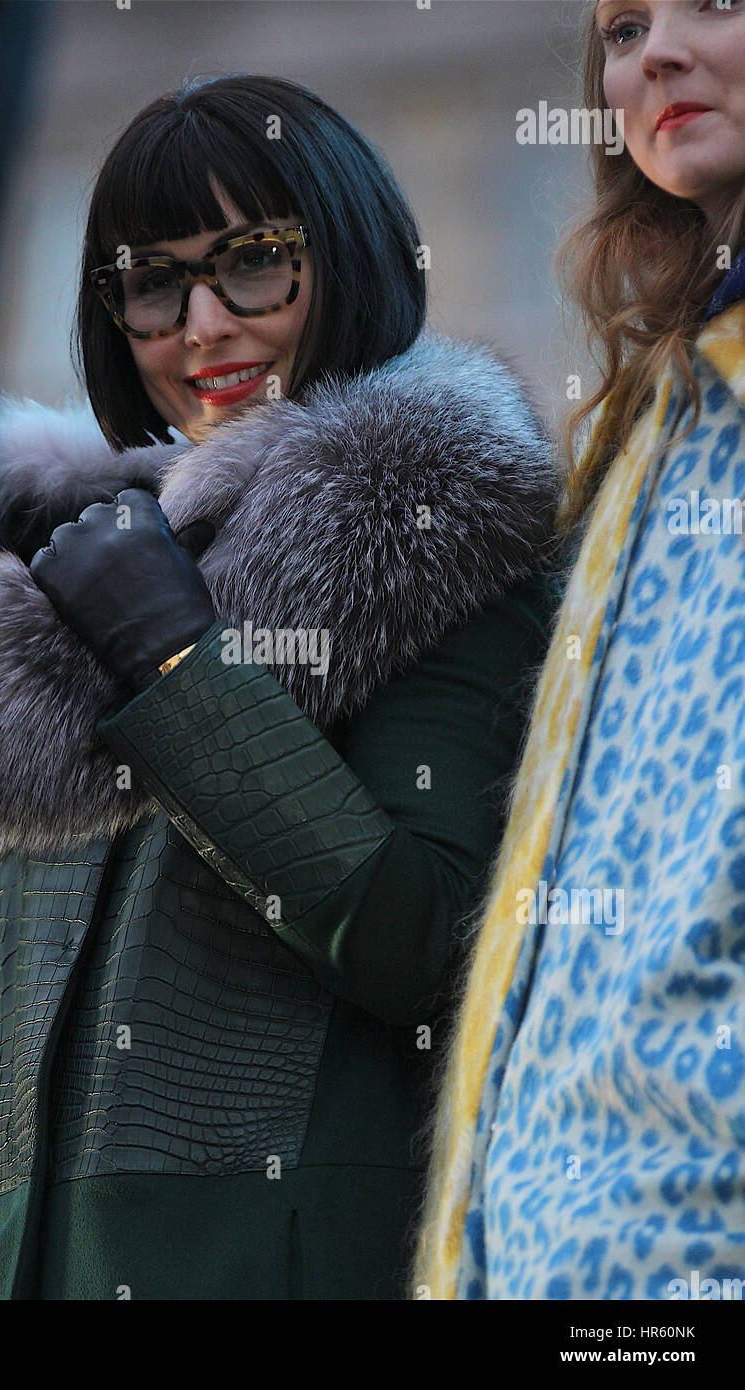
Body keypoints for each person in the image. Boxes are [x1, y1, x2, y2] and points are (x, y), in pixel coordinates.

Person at [0, 73, 559, 1301]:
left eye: (253, 262)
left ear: (351, 254)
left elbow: (427, 940)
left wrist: (179, 665)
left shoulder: (444, 527)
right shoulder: (82, 557)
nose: (202, 324)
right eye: (152, 281)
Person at [412, 0, 745, 1301]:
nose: (650, 54)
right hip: (552, 1251)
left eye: (712, 3)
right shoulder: (648, 414)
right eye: (620, 26)